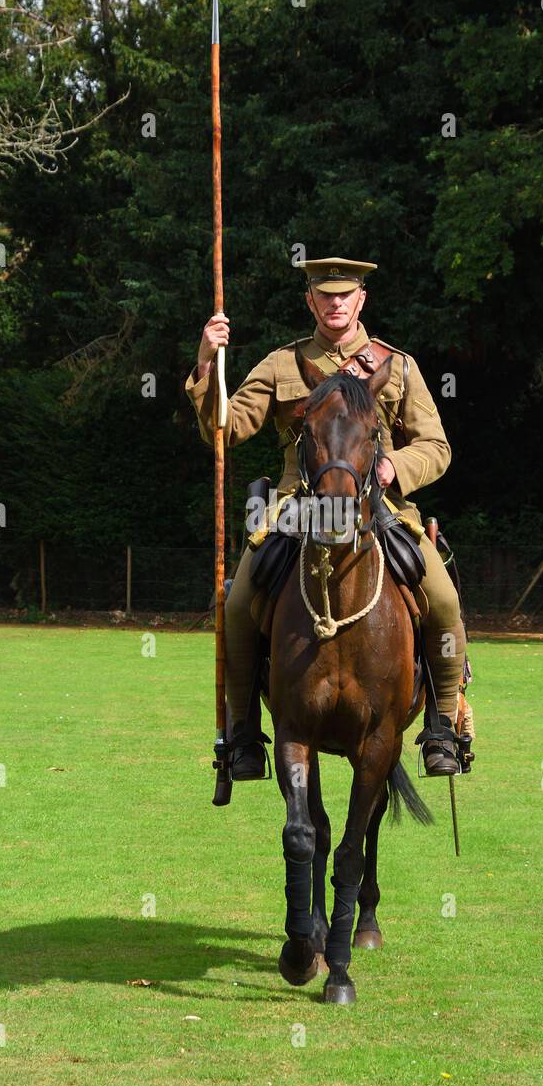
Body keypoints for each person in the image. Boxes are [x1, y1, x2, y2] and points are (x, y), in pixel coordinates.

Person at [184, 256, 467, 779]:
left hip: (379, 508)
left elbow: (437, 446)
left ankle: (444, 726)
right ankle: (244, 734)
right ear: (310, 301)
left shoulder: (397, 365)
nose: (335, 304)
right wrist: (206, 366)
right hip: (297, 506)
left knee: (445, 599)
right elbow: (225, 428)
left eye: (345, 296)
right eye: (325, 295)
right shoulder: (280, 365)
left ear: (361, 300)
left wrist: (393, 467)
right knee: (239, 602)